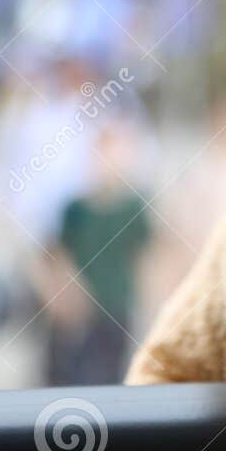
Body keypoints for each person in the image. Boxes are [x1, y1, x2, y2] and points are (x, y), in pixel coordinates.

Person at [39, 122, 153, 385]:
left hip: (115, 308)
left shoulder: (133, 209)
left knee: (108, 378)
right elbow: (55, 254)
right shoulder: (75, 209)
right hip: (76, 311)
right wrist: (66, 294)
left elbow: (145, 259)